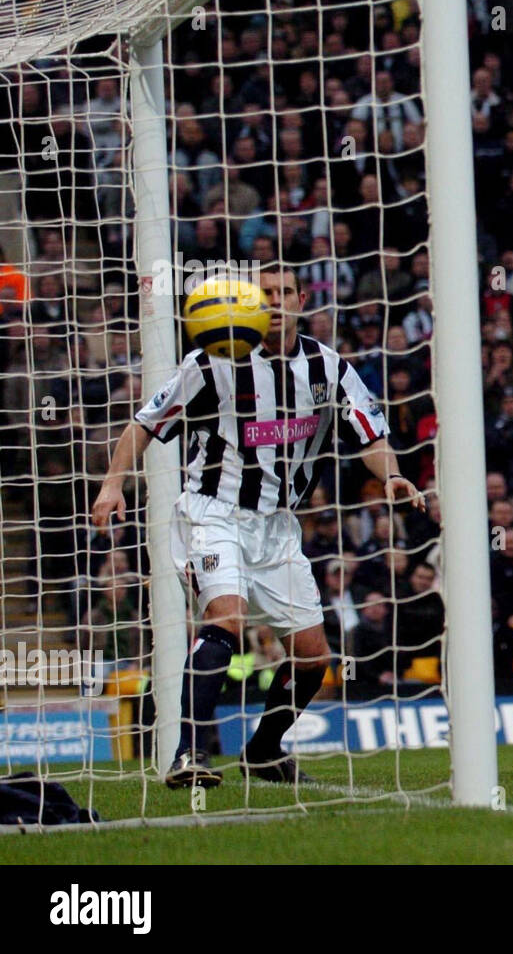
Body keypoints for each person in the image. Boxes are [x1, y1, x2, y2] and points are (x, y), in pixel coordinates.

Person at [90, 265, 425, 788]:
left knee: (313, 658)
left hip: (278, 528)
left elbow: (370, 435)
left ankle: (264, 751)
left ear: (301, 300)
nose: (275, 301)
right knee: (226, 620)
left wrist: (395, 476)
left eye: (284, 292)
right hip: (212, 512)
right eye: (265, 293)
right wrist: (113, 484)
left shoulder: (329, 367)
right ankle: (188, 752)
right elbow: (145, 423)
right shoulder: (211, 363)